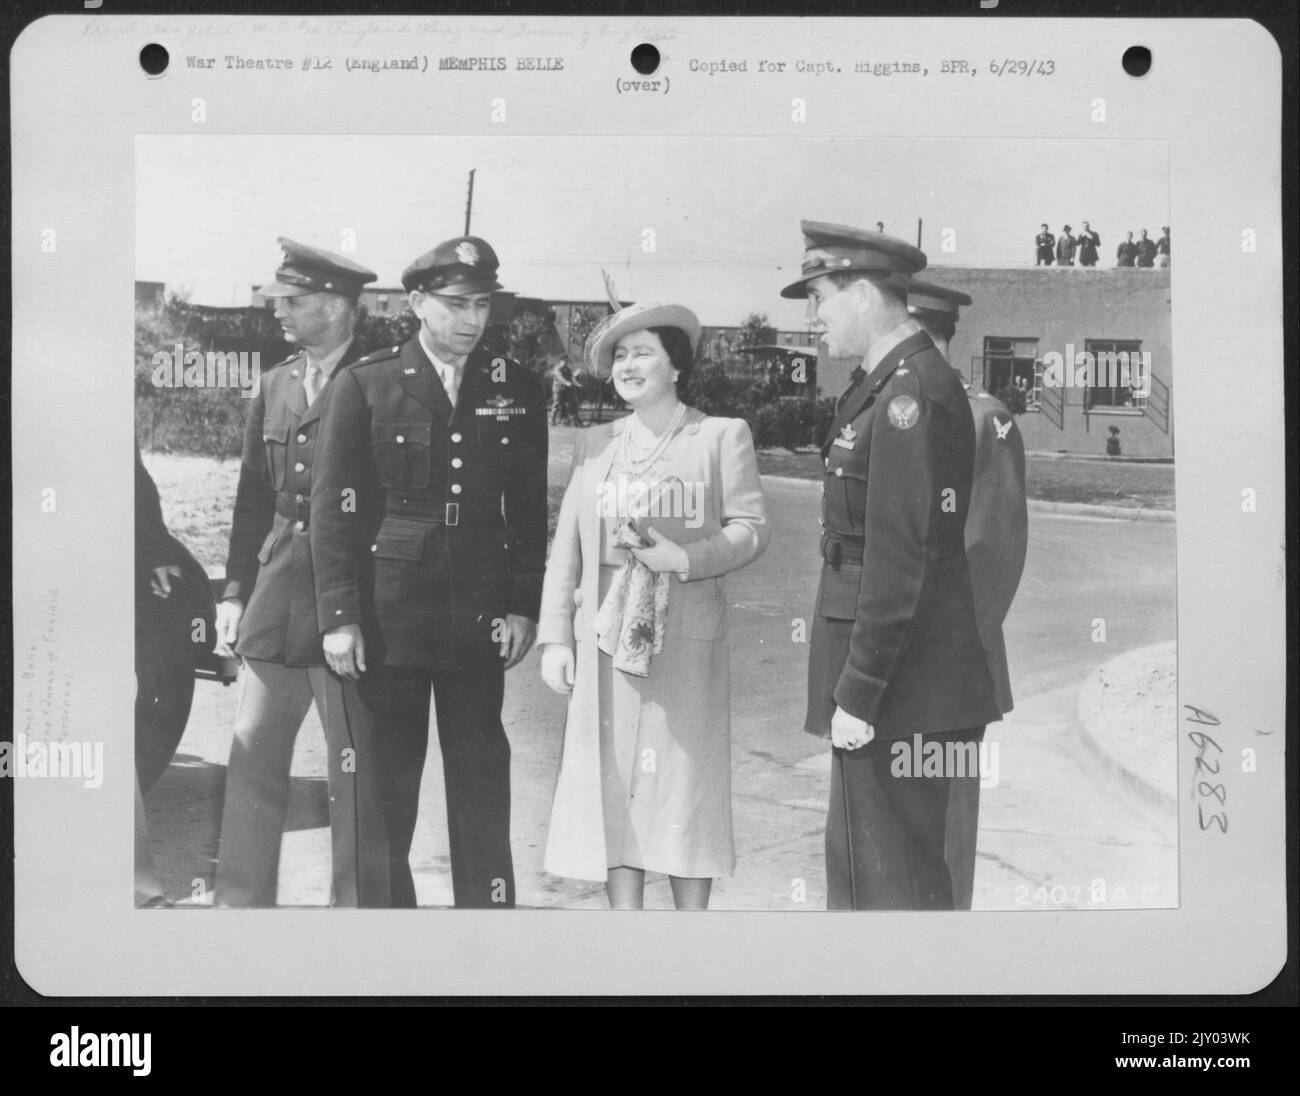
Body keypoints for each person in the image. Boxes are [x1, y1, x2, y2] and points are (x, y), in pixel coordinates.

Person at [310, 235, 548, 908]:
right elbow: (333, 512)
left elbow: (528, 510)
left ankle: (486, 934)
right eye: (456, 304)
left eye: (482, 306)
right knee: (385, 798)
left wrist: (523, 604)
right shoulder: (365, 384)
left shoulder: (516, 388)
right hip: (390, 623)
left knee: (480, 784)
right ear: (416, 302)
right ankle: (394, 947)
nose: (472, 320)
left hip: (478, 619)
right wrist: (340, 616)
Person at [782, 222, 1001, 910]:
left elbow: (900, 557)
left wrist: (863, 687)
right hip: (899, 681)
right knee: (871, 875)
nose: (813, 319)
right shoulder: (886, 384)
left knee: (889, 884)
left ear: (868, 294)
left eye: (820, 298)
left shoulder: (908, 393)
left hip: (900, 684)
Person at [537, 302, 770, 910]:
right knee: (613, 787)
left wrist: (688, 559)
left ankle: (689, 934)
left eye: (643, 352)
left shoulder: (720, 437)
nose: (628, 365)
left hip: (684, 641)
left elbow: (751, 528)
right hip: (604, 644)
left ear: (676, 366)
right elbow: (567, 549)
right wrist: (556, 637)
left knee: (683, 791)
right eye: (619, 354)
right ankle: (628, 933)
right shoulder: (595, 443)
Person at [212, 238, 390, 907]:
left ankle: (357, 922)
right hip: (274, 594)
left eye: (295, 300)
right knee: (252, 756)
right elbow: (252, 499)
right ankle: (239, 907)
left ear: (340, 306)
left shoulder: (380, 380)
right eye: (278, 298)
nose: (279, 310)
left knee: (355, 771)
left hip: (351, 604)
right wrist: (234, 591)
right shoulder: (274, 383)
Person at [907, 280, 1028, 910]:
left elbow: (993, 553)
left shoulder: (986, 418)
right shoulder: (891, 408)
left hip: (946, 671)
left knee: (943, 847)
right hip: (881, 667)